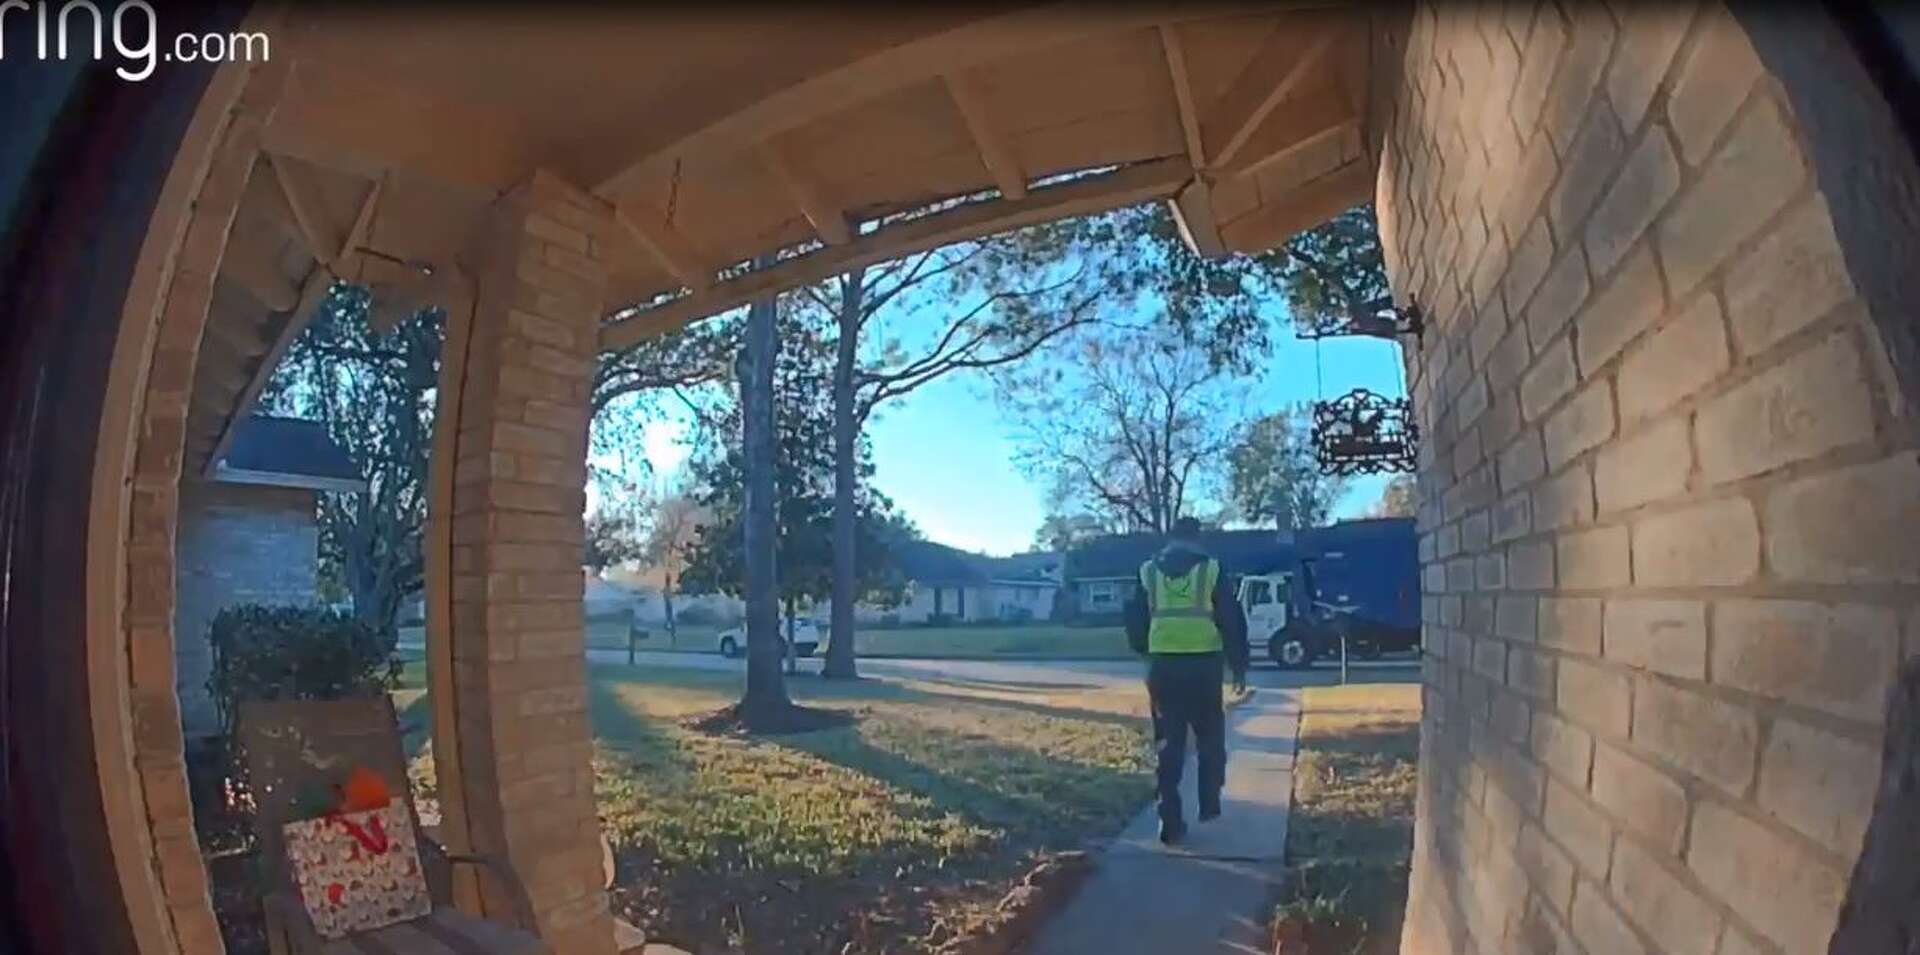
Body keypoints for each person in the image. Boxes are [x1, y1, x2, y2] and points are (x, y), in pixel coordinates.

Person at [1124, 516, 1250, 845]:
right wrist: (1239, 665)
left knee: (1169, 744)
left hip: (1163, 666)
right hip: (1204, 666)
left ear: (1170, 538)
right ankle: (1209, 802)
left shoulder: (1147, 571)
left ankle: (1170, 818)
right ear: (1197, 539)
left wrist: (1146, 648)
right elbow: (1231, 619)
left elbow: (1134, 617)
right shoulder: (1211, 570)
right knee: (1210, 738)